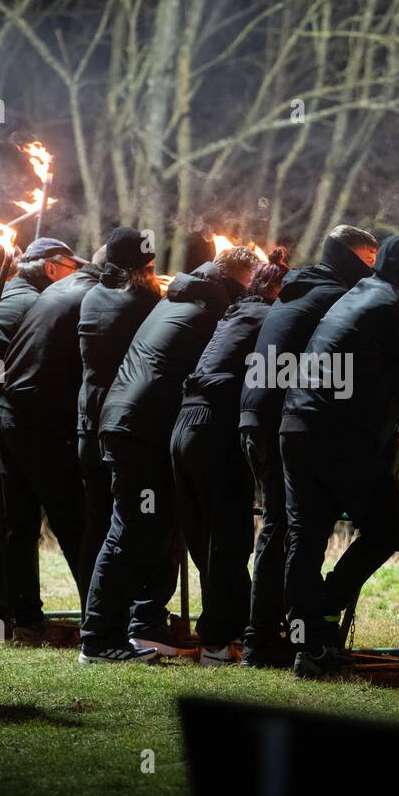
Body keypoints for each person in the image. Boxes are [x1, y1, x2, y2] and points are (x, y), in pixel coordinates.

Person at [81, 246, 255, 663]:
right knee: (132, 531)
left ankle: (139, 625)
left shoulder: (180, 297)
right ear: (235, 282)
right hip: (141, 429)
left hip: (128, 422)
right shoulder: (212, 310)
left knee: (151, 528)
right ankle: (99, 638)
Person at [281, 235, 399, 679]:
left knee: (305, 537)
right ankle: (328, 609)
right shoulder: (396, 306)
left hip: (297, 423)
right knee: (390, 523)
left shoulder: (359, 293)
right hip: (338, 431)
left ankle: (308, 647)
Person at [237, 225, 378, 668]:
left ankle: (267, 637)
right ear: (354, 260)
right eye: (370, 261)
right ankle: (270, 637)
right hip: (285, 418)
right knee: (290, 529)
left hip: (257, 413)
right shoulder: (335, 298)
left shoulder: (297, 290)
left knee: (279, 526)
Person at [171, 259, 287, 664]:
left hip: (185, 423)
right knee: (228, 539)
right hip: (216, 429)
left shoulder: (236, 312)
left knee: (206, 538)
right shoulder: (271, 317)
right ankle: (218, 642)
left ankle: (230, 626)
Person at [0, 240, 94, 645]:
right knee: (72, 519)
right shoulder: (72, 298)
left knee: (19, 526)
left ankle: (27, 624)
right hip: (34, 421)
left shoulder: (44, 297)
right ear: (53, 268)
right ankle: (100, 618)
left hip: (6, 413)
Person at [76, 228, 163, 622]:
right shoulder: (142, 302)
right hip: (124, 425)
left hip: (89, 422)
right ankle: (125, 618)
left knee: (99, 527)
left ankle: (93, 612)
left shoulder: (94, 294)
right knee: (133, 528)